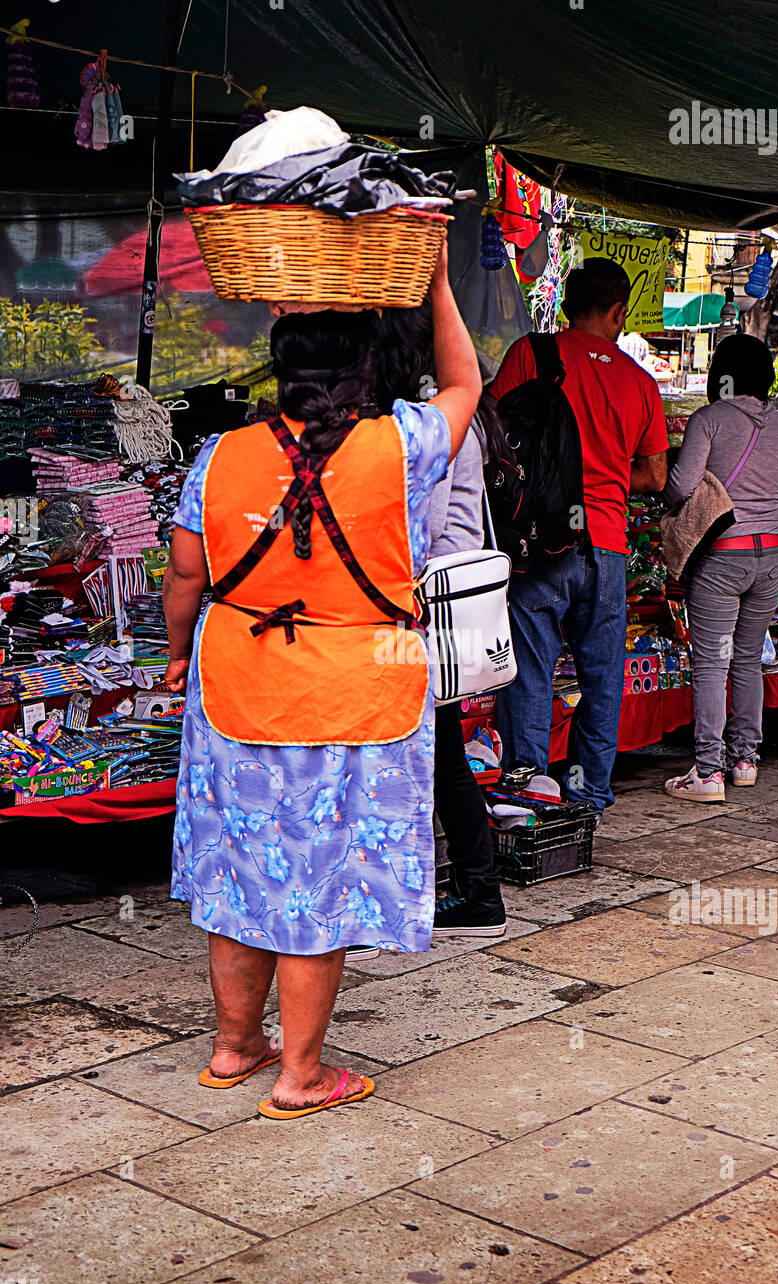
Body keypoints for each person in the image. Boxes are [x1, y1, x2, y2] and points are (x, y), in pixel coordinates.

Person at [162, 244, 480, 1119]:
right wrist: (440, 283)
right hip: (357, 696)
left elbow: (186, 575)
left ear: (280, 368)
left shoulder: (220, 455)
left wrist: (180, 651)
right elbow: (466, 384)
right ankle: (300, 1073)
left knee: (236, 872)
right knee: (321, 882)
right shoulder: (406, 444)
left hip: (236, 689)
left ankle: (234, 1048)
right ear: (370, 367)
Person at [490, 258, 668, 817]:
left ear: (567, 304)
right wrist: (609, 474)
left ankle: (527, 789)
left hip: (539, 541)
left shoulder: (532, 353)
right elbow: (657, 476)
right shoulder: (640, 382)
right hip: (607, 544)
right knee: (601, 673)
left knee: (531, 669)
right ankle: (589, 792)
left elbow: (491, 433)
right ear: (618, 312)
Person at [375, 305, 506, 937]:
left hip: (424, 604)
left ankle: (475, 895)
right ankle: (473, 892)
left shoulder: (430, 425)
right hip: (439, 601)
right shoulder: (454, 416)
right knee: (440, 751)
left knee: (435, 754)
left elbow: (419, 528)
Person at [664, 334, 778, 802]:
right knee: (747, 658)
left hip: (724, 556)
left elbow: (680, 488)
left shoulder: (709, 420)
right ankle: (744, 761)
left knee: (712, 662)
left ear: (722, 373)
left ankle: (707, 772)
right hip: (773, 556)